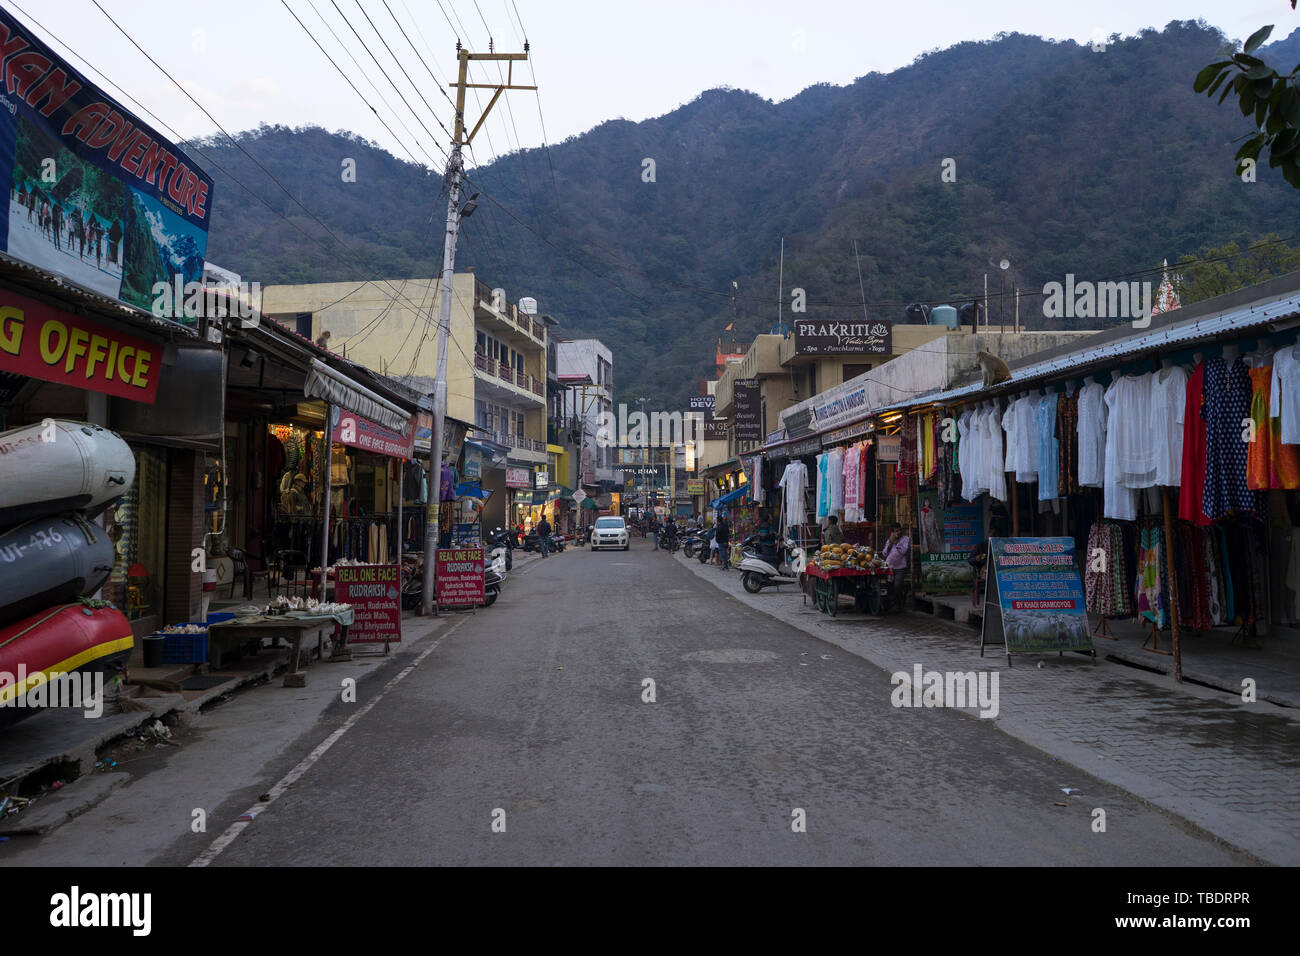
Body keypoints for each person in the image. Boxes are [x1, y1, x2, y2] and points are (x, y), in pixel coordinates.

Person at [881, 522, 911, 611]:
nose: (896, 533)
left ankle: (899, 604)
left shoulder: (905, 539)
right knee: (889, 585)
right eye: (894, 531)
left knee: (897, 586)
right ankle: (891, 604)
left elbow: (903, 551)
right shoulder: (889, 540)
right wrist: (890, 544)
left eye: (898, 531)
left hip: (900, 567)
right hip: (890, 566)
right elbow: (884, 553)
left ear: (900, 530)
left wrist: (896, 542)